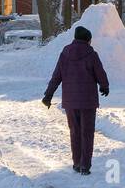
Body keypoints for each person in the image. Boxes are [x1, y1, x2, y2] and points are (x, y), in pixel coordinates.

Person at [43, 25, 110, 175]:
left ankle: (76, 162)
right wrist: (104, 86)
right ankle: (85, 166)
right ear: (87, 39)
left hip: (71, 102)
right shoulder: (91, 54)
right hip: (88, 102)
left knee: (75, 132)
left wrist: (48, 95)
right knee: (87, 133)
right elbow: (100, 73)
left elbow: (56, 77)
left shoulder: (65, 54)